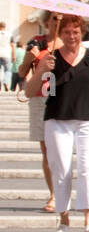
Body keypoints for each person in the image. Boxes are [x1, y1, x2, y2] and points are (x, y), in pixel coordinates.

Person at [27, 14, 89, 232]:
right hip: (57, 119)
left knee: (88, 168)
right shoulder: (50, 58)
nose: (71, 36)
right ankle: (63, 220)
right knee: (60, 169)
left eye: (75, 32)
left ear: (81, 33)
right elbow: (35, 91)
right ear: (60, 34)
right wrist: (43, 68)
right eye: (66, 32)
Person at [16, 27, 55, 211]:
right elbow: (22, 73)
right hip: (40, 98)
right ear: (47, 20)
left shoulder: (70, 43)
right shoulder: (37, 43)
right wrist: (29, 59)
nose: (58, 22)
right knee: (47, 149)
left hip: (64, 98)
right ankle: (54, 195)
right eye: (54, 18)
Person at [0, 20, 12, 91]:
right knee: (7, 70)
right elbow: (13, 45)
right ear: (5, 27)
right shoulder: (9, 34)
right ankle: (6, 82)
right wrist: (13, 56)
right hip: (7, 54)